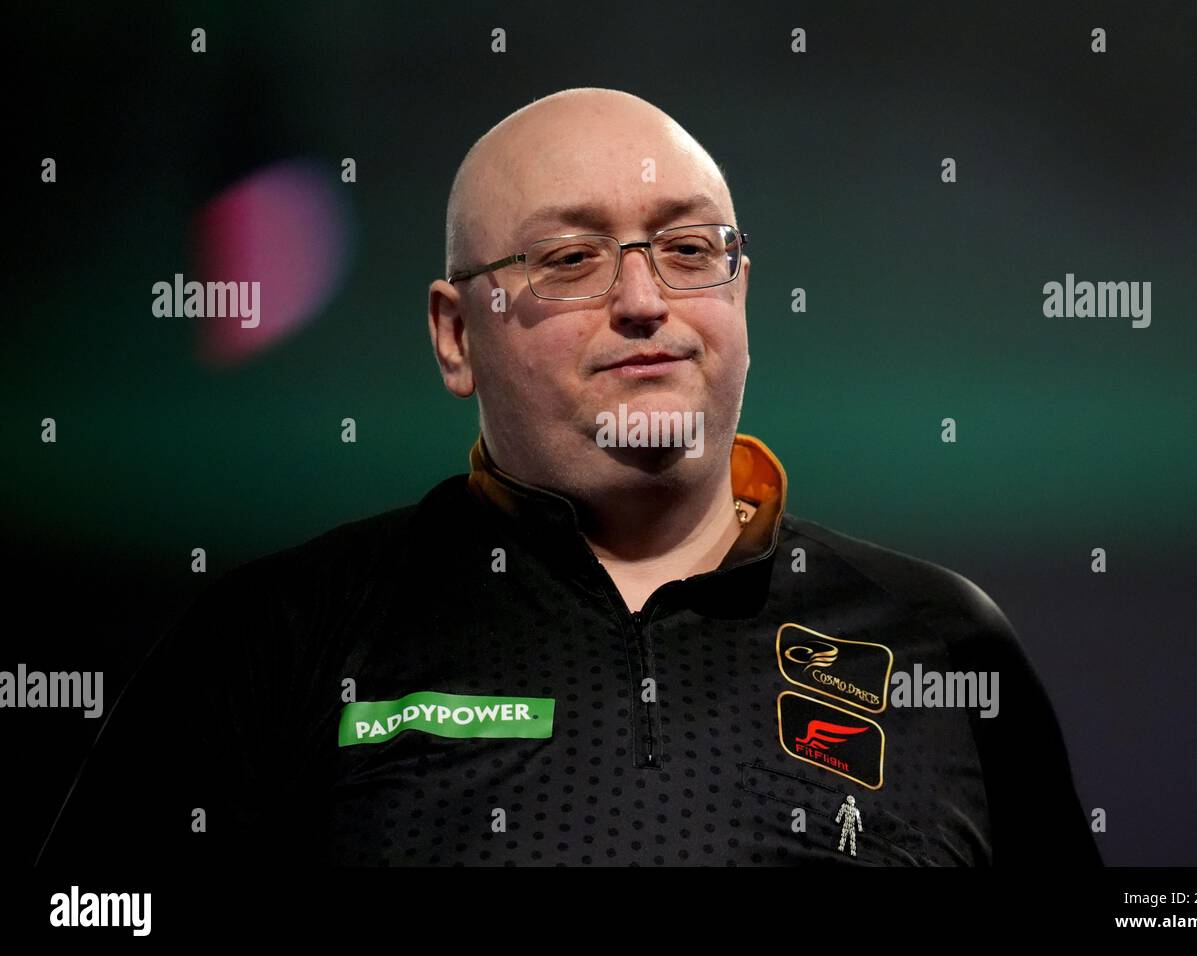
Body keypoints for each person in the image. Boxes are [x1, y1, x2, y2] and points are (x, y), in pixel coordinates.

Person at [39, 86, 1100, 867]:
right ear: (457, 335)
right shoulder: (275, 637)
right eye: (569, 259)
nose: (644, 298)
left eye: (688, 249)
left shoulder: (941, 638)